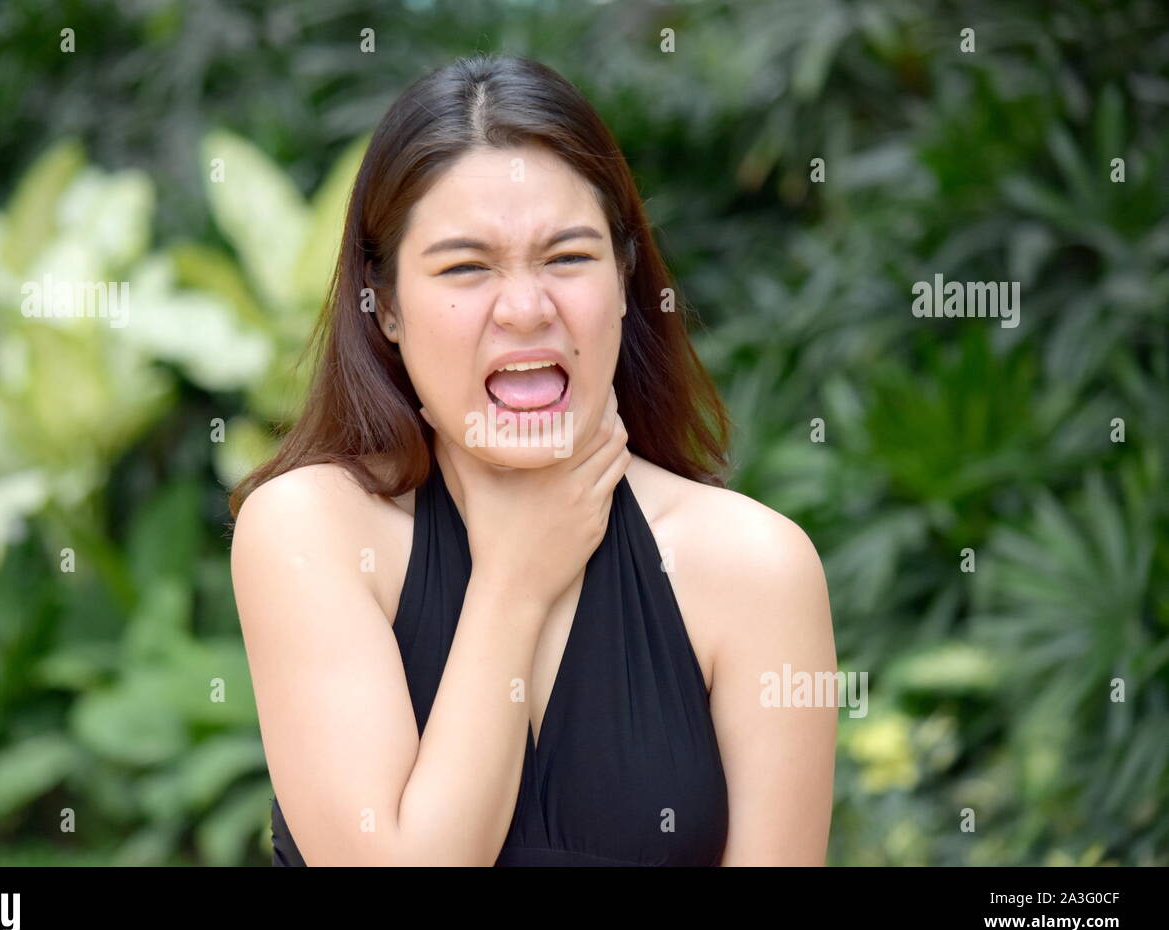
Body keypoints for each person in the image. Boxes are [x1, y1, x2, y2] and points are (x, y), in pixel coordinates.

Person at [228, 52, 836, 866]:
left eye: (567, 258)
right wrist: (515, 581)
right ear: (387, 307)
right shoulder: (310, 532)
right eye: (466, 268)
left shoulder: (755, 568)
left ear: (623, 279)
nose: (524, 308)